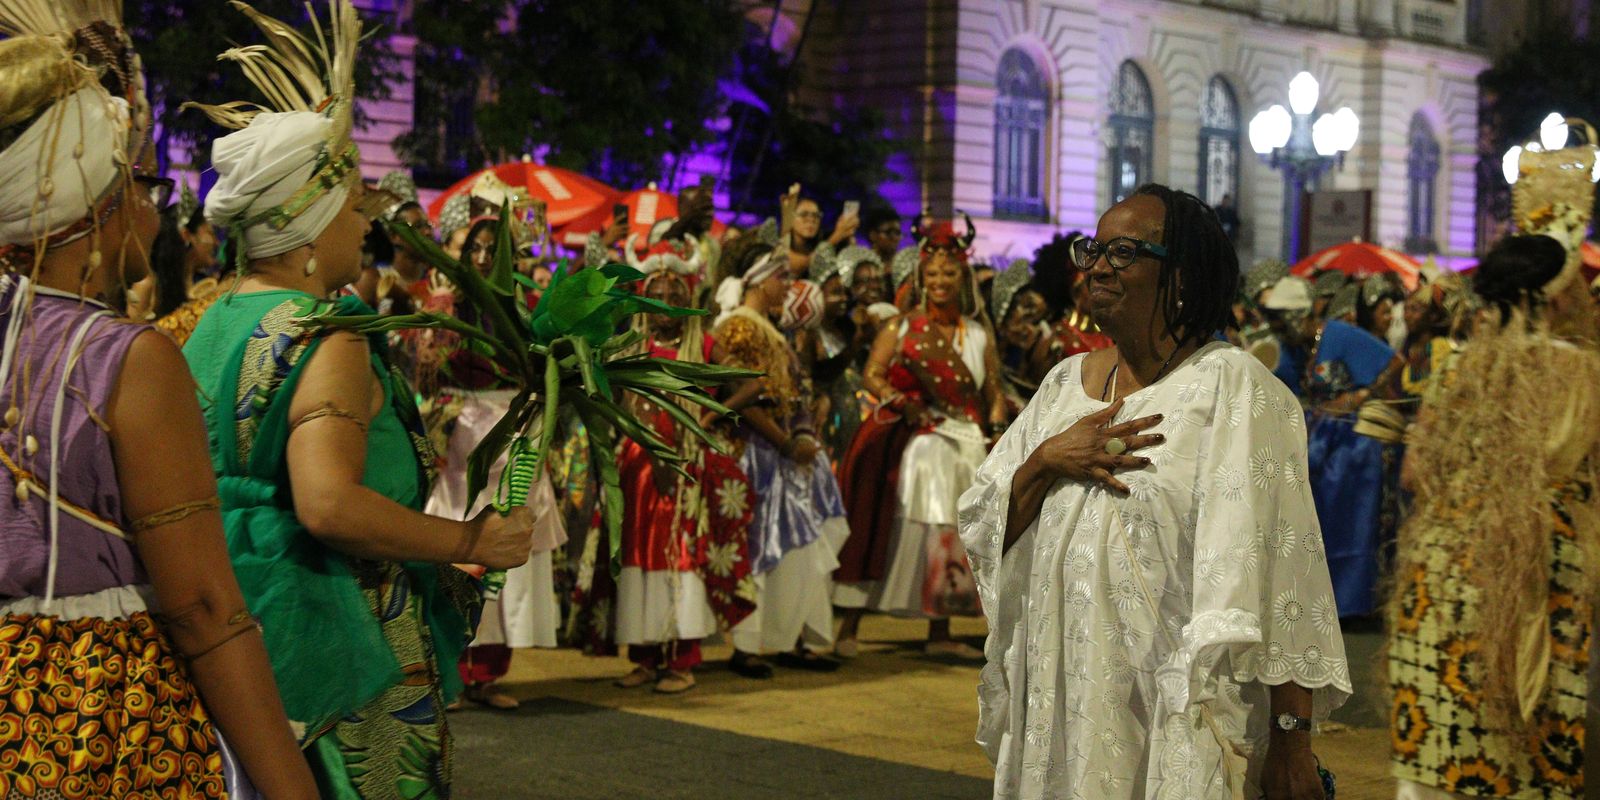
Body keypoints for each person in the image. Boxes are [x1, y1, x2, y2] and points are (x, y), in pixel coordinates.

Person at [180, 1, 535, 793]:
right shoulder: (325, 334)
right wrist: (470, 544)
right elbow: (329, 505)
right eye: (352, 209)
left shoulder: (213, 318)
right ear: (307, 232)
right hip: (335, 633)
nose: (364, 228)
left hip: (235, 617)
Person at [0, 6, 316, 797]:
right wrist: (288, 784)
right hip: (97, 723)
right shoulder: (129, 360)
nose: (155, 205)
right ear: (98, 205)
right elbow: (205, 609)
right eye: (143, 179)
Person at [958, 185, 1348, 798]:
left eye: (1123, 251)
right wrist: (1044, 460)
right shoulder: (1063, 385)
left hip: (1177, 714)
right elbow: (985, 531)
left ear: (1184, 277)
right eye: (1094, 250)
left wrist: (1293, 742)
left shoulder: (1233, 389)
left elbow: (1285, 570)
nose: (1097, 267)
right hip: (1061, 708)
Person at [1388, 234, 1600, 799]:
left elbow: (1413, 475)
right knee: (1529, 746)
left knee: (1441, 728)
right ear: (1554, 299)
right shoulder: (1584, 374)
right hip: (1543, 574)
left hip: (1444, 570)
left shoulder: (1458, 367)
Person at [835, 220, 1006, 659]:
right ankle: (850, 625)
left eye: (949, 274)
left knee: (953, 530)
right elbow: (873, 374)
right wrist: (899, 400)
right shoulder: (903, 328)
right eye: (932, 274)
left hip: (967, 441)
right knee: (893, 520)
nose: (941, 282)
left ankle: (940, 631)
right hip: (919, 438)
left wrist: (999, 431)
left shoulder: (979, 334)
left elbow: (992, 394)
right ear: (921, 279)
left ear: (962, 278)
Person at [423, 215, 567, 713]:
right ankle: (452, 674)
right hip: (463, 439)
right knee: (461, 546)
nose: (484, 258)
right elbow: (428, 373)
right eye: (476, 249)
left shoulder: (524, 312)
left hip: (513, 428)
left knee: (505, 554)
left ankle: (486, 675)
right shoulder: (448, 306)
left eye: (494, 249)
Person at [611, 249, 757, 694]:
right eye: (657, 293)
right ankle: (643, 657)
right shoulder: (628, 344)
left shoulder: (706, 344)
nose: (666, 301)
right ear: (644, 296)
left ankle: (682, 660)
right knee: (640, 560)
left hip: (688, 466)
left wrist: (709, 416)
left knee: (681, 558)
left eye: (675, 293)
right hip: (638, 465)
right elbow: (615, 402)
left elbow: (751, 383)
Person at [713, 236, 850, 677]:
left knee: (801, 551)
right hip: (760, 454)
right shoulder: (738, 327)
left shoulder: (771, 328)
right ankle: (750, 644)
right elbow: (741, 394)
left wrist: (805, 434)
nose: (789, 285)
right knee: (764, 549)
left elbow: (795, 394)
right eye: (782, 276)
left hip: (789, 455)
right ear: (758, 280)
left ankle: (791, 637)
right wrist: (785, 441)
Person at [1260, 272, 1404, 617]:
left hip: (1354, 446)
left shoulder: (1341, 335)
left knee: (1351, 519)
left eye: (1282, 320)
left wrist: (1361, 395)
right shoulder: (1288, 349)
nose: (1277, 328)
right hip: (1312, 442)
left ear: (1301, 315)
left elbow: (1394, 362)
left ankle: (1351, 602)